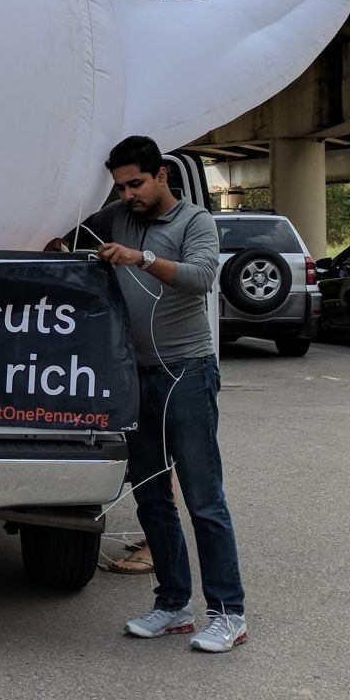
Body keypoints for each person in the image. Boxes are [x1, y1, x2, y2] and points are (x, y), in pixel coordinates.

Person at [54, 135, 247, 653]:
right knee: (151, 496)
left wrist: (139, 258)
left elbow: (202, 277)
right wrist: (57, 244)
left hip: (187, 371)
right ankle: (172, 605)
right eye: (119, 186)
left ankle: (229, 613)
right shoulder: (117, 215)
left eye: (136, 183)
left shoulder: (195, 222)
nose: (128, 195)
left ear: (162, 174)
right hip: (132, 376)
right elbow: (68, 235)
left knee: (204, 499)